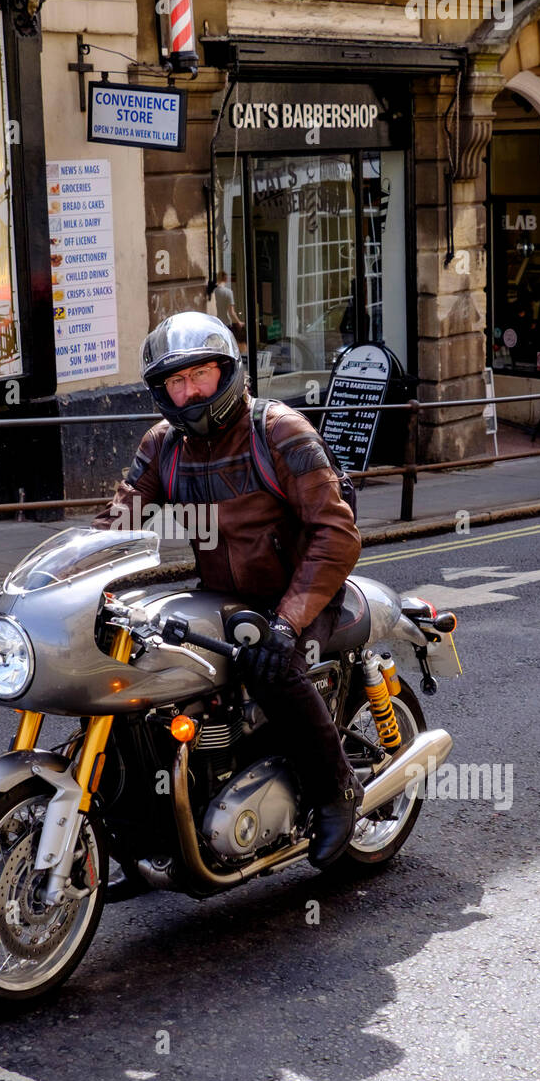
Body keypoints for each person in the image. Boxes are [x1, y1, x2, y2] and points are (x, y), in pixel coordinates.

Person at [96, 311, 364, 870]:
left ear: (227, 372)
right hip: (225, 599)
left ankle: (337, 792)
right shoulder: (164, 446)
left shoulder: (279, 430)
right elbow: (119, 523)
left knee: (275, 667)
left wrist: (289, 622)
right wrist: (60, 577)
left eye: (199, 376)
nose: (188, 391)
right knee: (140, 673)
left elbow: (336, 534)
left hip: (303, 591)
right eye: (175, 381)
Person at [213, 271, 245, 343]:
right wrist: (238, 322)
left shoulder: (214, 291)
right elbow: (231, 312)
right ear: (226, 279)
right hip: (226, 323)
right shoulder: (228, 292)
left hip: (216, 322)